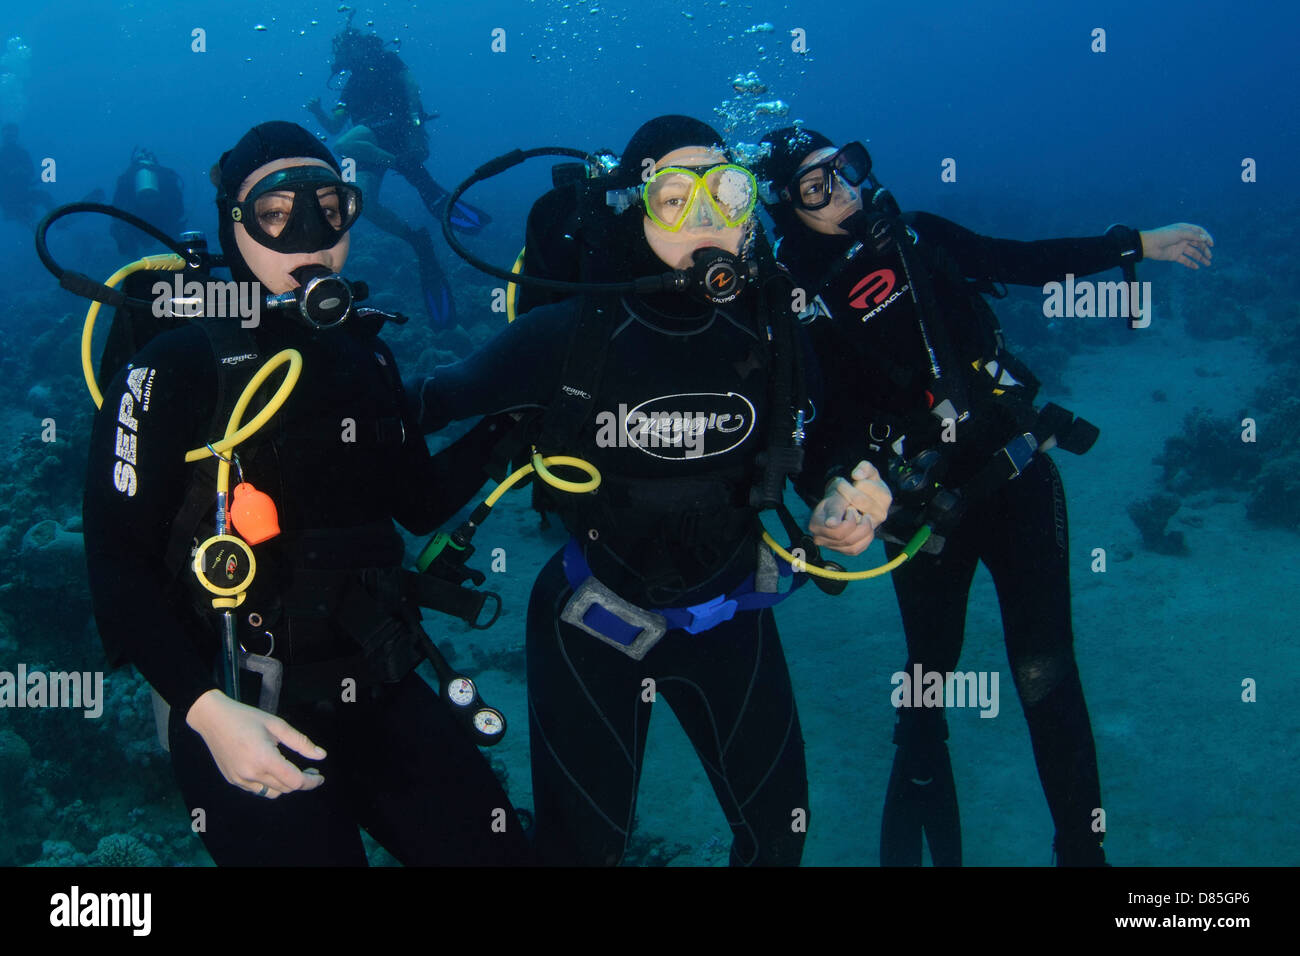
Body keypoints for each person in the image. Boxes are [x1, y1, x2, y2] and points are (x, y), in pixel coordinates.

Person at [408, 115, 892, 865]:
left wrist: (843, 491)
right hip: (589, 623)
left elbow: (825, 431)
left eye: (728, 192)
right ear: (635, 206)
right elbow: (422, 407)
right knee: (582, 854)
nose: (705, 215)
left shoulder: (775, 330)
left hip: (733, 617)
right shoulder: (567, 334)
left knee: (778, 841)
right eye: (675, 196)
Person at [757, 126, 1214, 866]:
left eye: (844, 169)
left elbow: (1016, 260)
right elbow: (807, 428)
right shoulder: (794, 305)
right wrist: (837, 493)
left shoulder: (917, 235)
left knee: (1046, 668)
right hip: (921, 511)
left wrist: (1134, 245)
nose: (840, 189)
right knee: (931, 661)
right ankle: (922, 743)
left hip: (1017, 473)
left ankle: (1082, 851)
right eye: (814, 186)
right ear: (784, 203)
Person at [81, 121, 532, 866]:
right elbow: (115, 561)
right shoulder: (176, 359)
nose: (311, 235)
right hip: (239, 701)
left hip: (380, 684)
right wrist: (205, 711)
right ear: (234, 225)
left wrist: (506, 433)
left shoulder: (364, 351)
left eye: (331, 206)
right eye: (276, 214)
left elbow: (417, 502)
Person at [306, 24, 488, 331]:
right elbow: (335, 126)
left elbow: (411, 88)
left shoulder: (389, 61)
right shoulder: (350, 86)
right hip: (374, 142)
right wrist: (317, 112)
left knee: (346, 147)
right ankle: (417, 239)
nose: (344, 56)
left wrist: (416, 125)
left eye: (347, 50)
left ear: (359, 47)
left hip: (398, 130)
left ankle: (411, 172)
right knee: (365, 205)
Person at [109, 146, 185, 257]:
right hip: (165, 220)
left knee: (129, 252)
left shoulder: (126, 178)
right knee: (179, 256)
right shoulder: (167, 174)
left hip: (136, 222)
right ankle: (179, 274)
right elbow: (180, 209)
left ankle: (137, 270)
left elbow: (116, 208)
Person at [0, 122, 53, 225]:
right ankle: (35, 228)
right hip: (8, 197)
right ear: (4, 136)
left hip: (23, 193)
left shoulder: (23, 153)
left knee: (45, 197)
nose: (11, 138)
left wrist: (23, 171)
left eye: (13, 135)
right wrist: (10, 174)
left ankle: (60, 221)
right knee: (26, 217)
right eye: (9, 135)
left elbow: (31, 172)